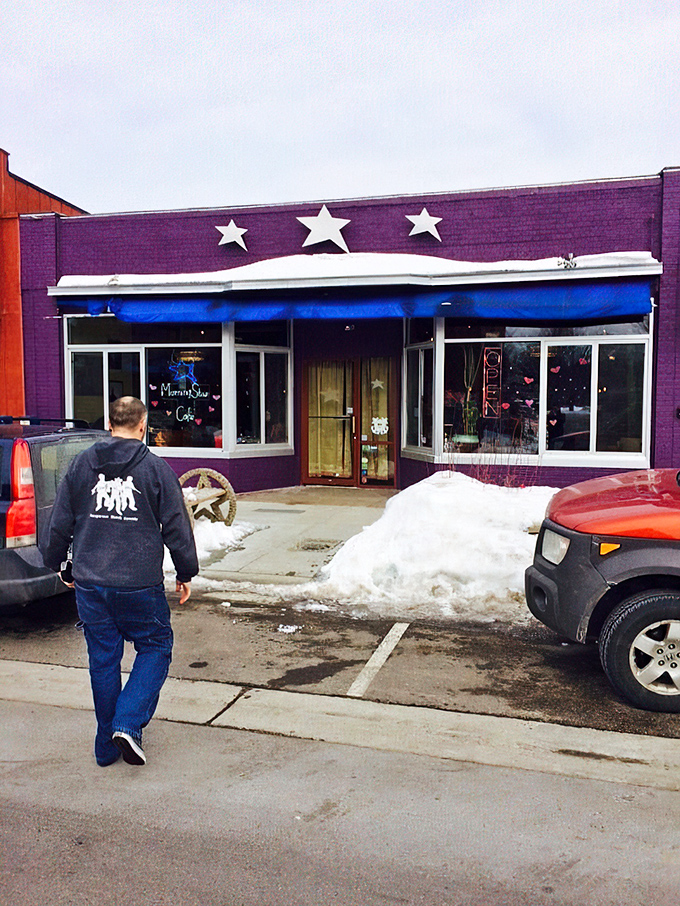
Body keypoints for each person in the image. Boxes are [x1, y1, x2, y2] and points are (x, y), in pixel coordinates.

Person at [41, 396, 198, 768]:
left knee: (103, 659)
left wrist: (59, 564)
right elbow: (177, 525)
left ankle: (105, 746)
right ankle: (127, 724)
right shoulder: (155, 469)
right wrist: (185, 571)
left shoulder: (81, 465)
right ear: (143, 426)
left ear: (109, 425)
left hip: (92, 582)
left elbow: (60, 520)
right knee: (156, 646)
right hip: (138, 583)